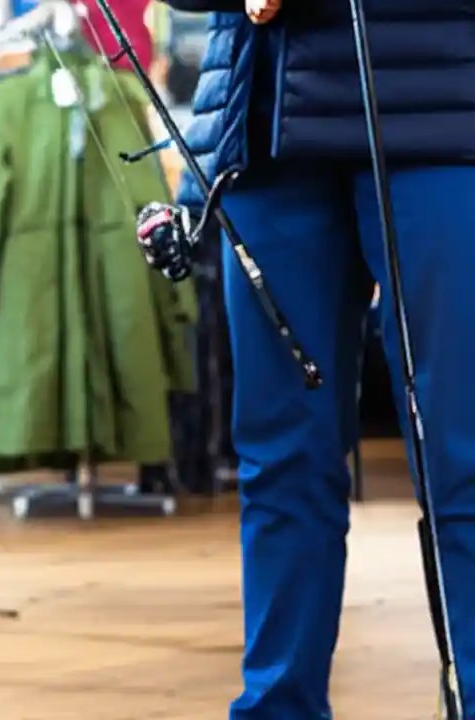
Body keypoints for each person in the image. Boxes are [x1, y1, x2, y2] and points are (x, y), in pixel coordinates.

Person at [163, 0, 475, 717]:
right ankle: (277, 706)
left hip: (437, 110)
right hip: (264, 130)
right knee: (280, 460)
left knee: (458, 445)